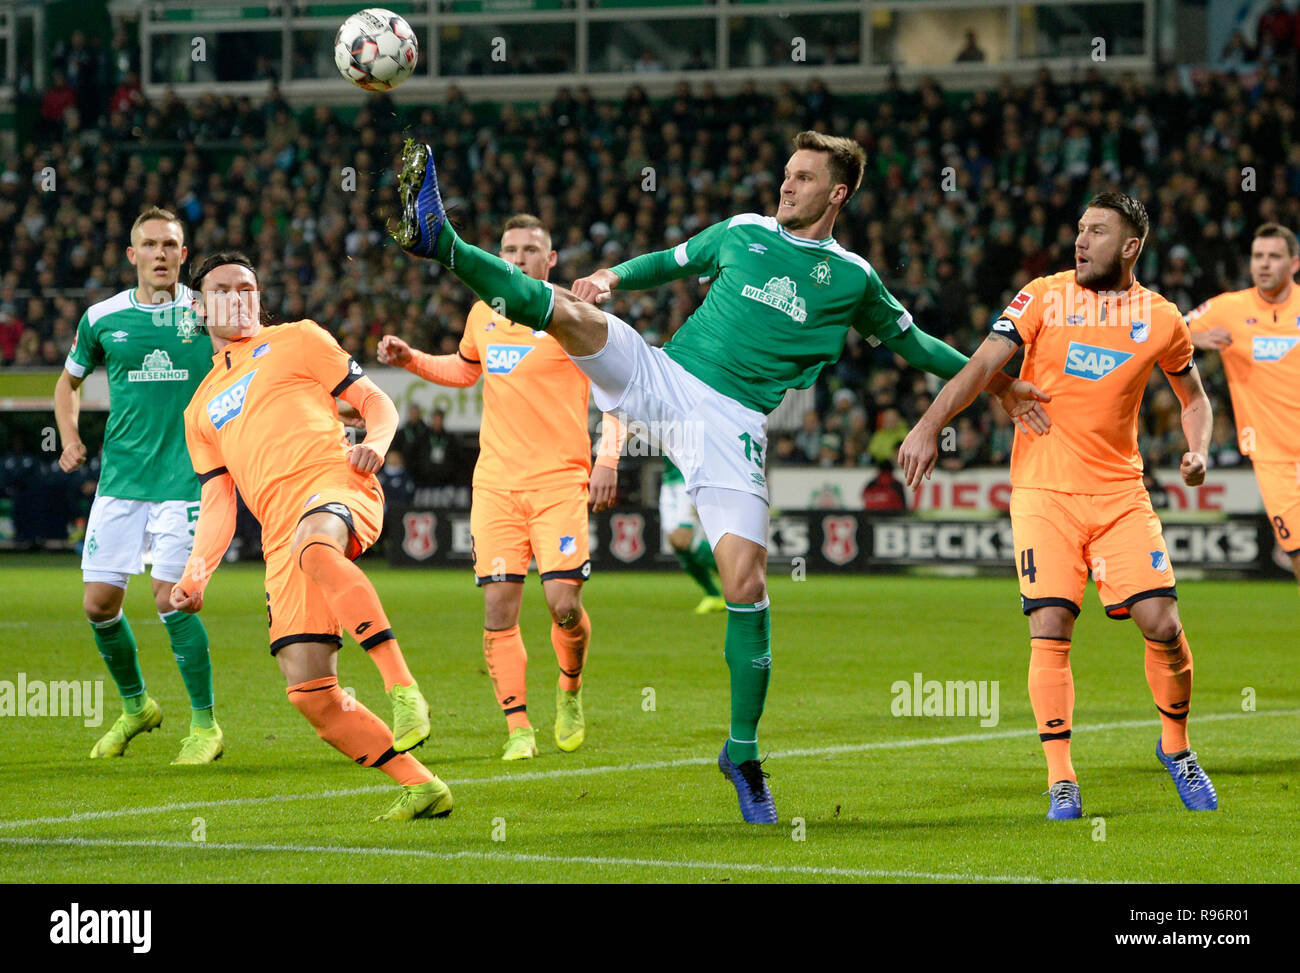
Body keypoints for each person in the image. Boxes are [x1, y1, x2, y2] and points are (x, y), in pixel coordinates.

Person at [390, 131, 1050, 823]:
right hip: (666, 376)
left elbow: (915, 343)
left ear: (838, 193)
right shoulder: (741, 231)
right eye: (787, 173)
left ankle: (741, 750)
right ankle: (443, 241)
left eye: (802, 178)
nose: (787, 185)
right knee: (567, 312)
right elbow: (670, 261)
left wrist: (1000, 382)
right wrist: (614, 277)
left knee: (748, 583)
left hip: (731, 427)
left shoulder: (852, 278)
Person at [898, 192, 1219, 818]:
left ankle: (1176, 747)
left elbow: (1195, 398)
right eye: (1078, 229)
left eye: (1097, 232)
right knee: (1050, 626)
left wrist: (1198, 448)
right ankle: (1061, 779)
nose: (1080, 240)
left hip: (1121, 493)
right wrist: (928, 423)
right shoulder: (1041, 295)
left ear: (1130, 247)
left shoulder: (1161, 318)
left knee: (1162, 622)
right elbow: (981, 365)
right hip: (1043, 493)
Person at [170, 251, 449, 821]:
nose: (239, 296)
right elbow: (219, 498)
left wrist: (378, 440)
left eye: (247, 286)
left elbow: (377, 402)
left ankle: (404, 691)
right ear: (198, 308)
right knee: (311, 693)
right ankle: (421, 787)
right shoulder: (198, 408)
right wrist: (196, 572)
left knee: (316, 545)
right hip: (280, 536)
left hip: (337, 484)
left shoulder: (298, 338)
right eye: (223, 289)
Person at [379, 213, 619, 760]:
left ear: (550, 259)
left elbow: (616, 392)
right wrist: (410, 358)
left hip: (559, 481)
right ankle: (518, 729)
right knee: (498, 611)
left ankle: (570, 688)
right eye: (509, 249)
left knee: (562, 604)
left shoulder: (570, 315)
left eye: (530, 250)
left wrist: (608, 457)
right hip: (495, 485)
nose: (516, 259)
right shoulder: (483, 312)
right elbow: (466, 371)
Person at [53, 206, 221, 764]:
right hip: (121, 481)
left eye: (170, 245)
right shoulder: (102, 318)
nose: (160, 254)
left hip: (186, 480)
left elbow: (257, 364)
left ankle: (204, 726)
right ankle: (136, 707)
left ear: (183, 254)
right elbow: (67, 382)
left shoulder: (206, 315)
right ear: (132, 255)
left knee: (173, 599)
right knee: (99, 605)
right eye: (149, 245)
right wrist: (70, 435)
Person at [1185, 223, 1300, 588]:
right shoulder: (1229, 307)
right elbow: (1164, 331)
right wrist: (1199, 337)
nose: (1264, 264)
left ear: (1294, 264)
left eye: (1274, 257)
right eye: (1258, 256)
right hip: (1273, 458)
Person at [660, 455, 725, 613]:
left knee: (683, 540)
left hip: (690, 479)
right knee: (676, 544)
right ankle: (714, 595)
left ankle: (741, 580)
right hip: (669, 481)